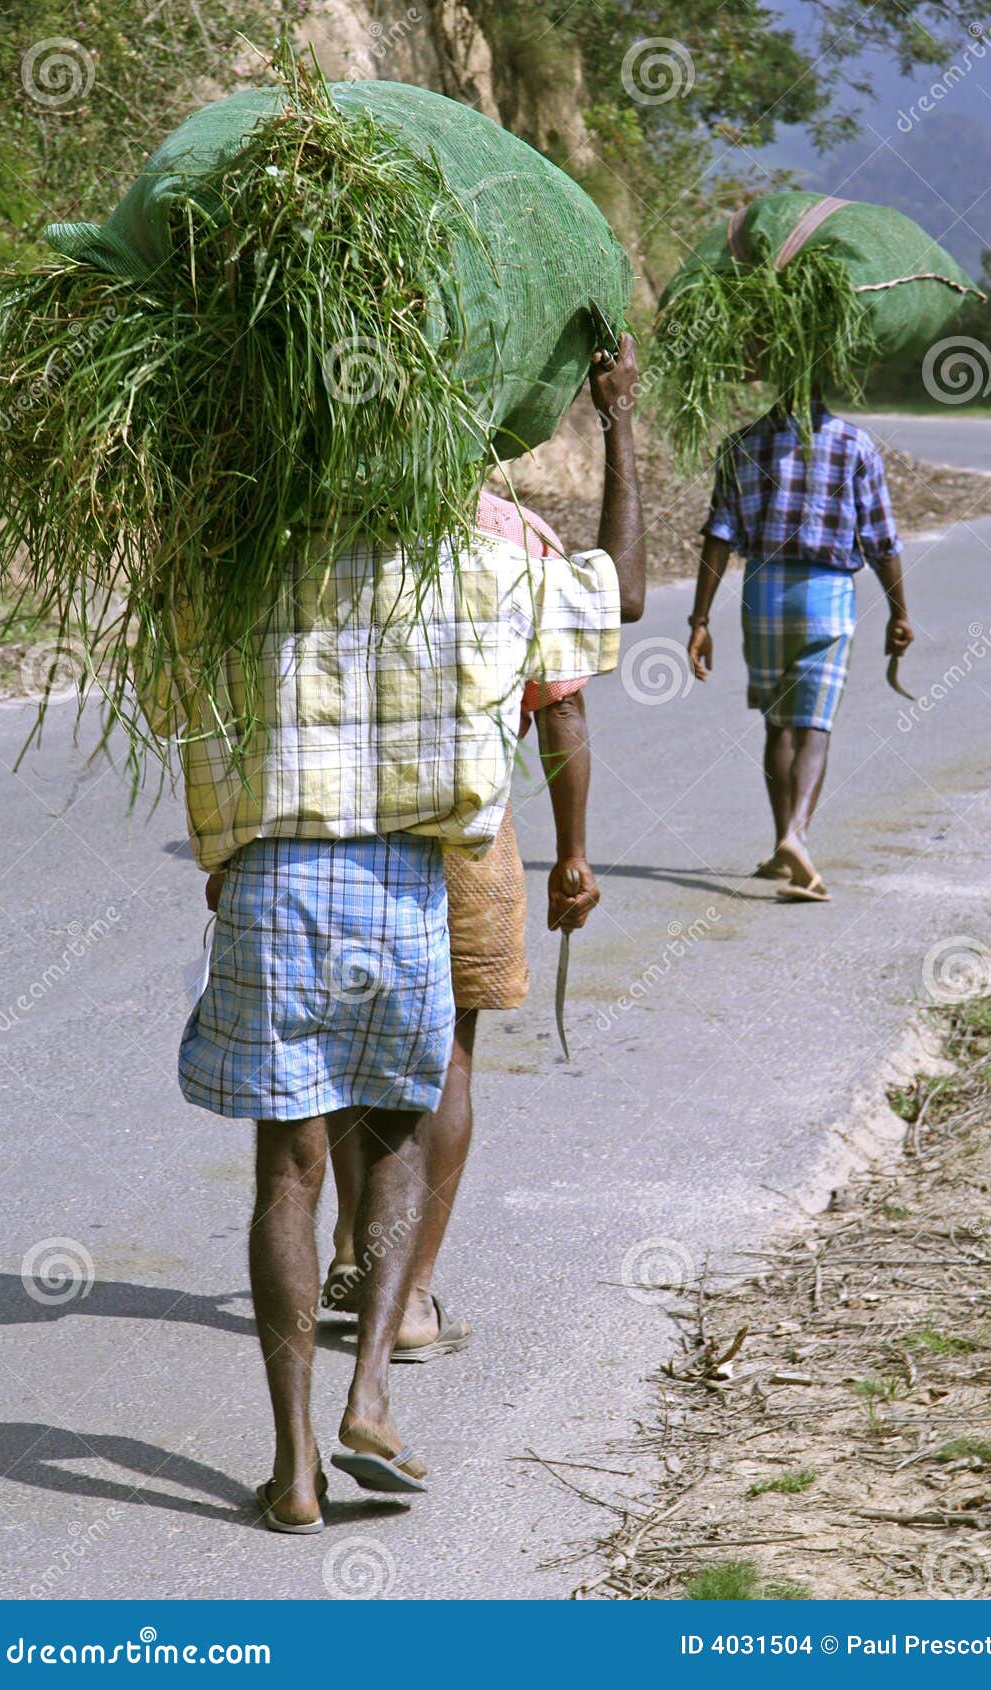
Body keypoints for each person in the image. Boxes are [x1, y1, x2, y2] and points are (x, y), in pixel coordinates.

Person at [148, 347, 634, 1532]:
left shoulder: (245, 550)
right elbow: (611, 603)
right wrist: (617, 421)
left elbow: (175, 695)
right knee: (402, 1140)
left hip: (274, 882)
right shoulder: (484, 558)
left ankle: (294, 1468)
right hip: (406, 884)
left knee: (288, 1173)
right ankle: (372, 1393)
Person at [318, 339, 647, 1354]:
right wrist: (618, 420)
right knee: (444, 1062)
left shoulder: (319, 522)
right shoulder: (510, 538)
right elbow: (577, 684)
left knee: (350, 1049)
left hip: (333, 823)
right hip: (465, 829)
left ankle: (357, 1242)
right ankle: (409, 1294)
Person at [687, 398, 913, 902]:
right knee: (814, 724)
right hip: (826, 594)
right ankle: (796, 836)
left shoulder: (741, 444)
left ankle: (781, 845)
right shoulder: (855, 444)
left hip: (764, 592)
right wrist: (899, 612)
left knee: (778, 722)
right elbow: (881, 540)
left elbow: (719, 535)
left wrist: (700, 620)